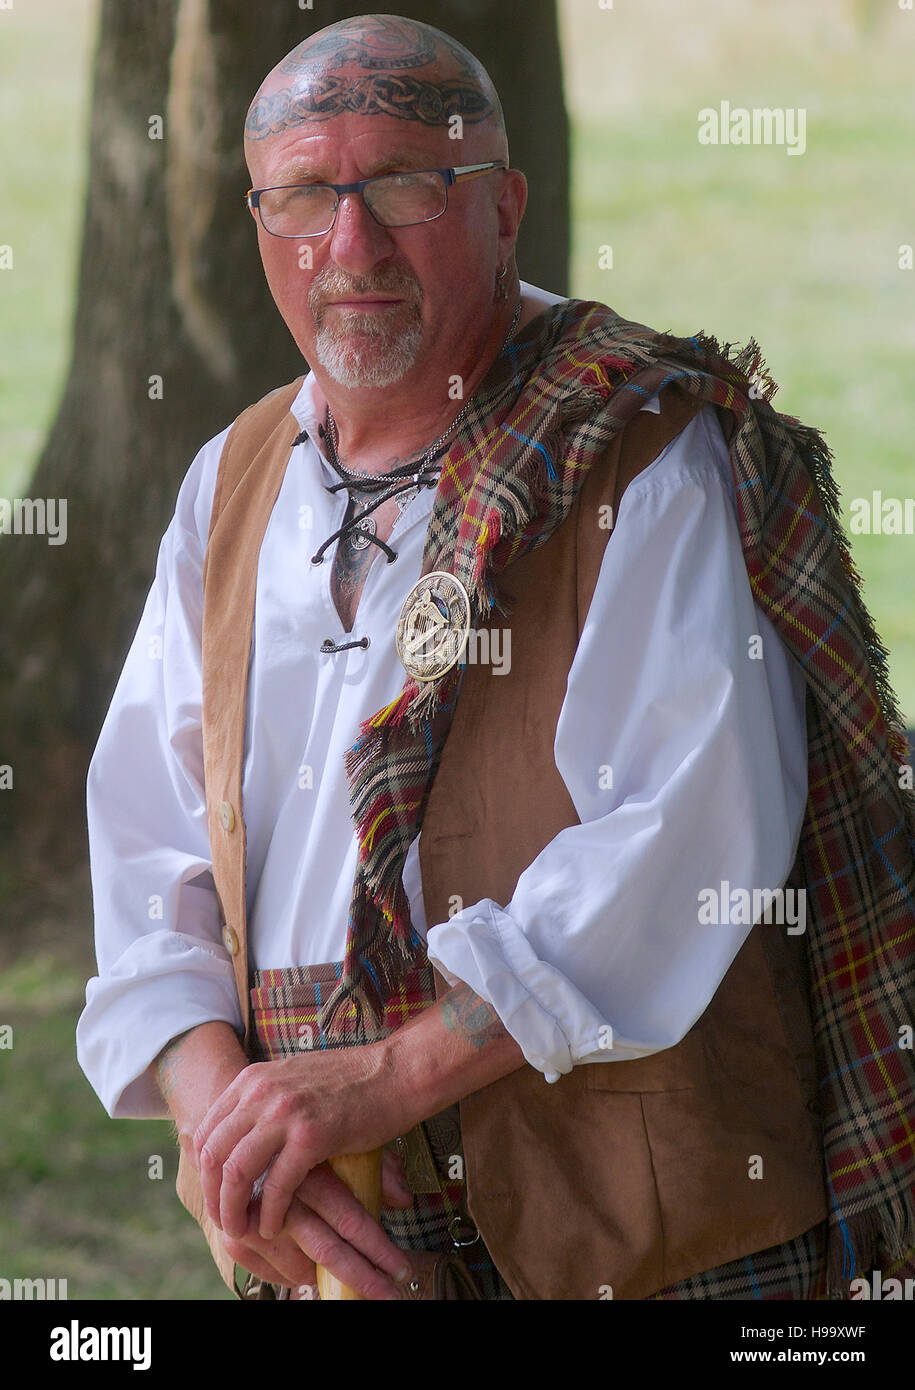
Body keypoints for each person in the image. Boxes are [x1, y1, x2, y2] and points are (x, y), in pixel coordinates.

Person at [76, 14, 915, 1301]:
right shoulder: (232, 479)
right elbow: (149, 847)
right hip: (330, 1221)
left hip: (634, 1232)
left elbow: (693, 836)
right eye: (304, 194)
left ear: (507, 205)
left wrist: (380, 1079)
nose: (348, 247)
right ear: (258, 221)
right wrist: (220, 1123)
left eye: (407, 185)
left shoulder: (638, 451)